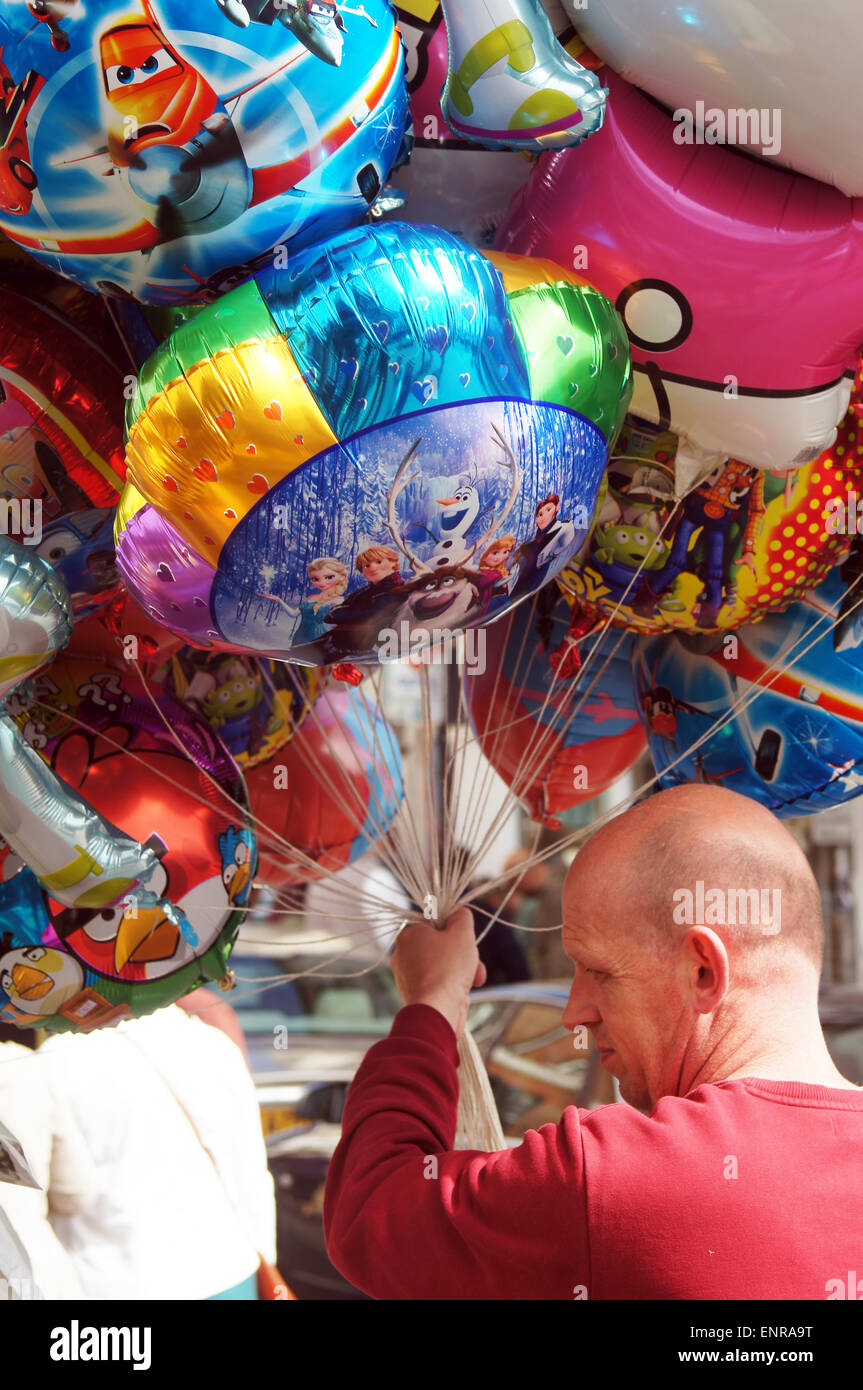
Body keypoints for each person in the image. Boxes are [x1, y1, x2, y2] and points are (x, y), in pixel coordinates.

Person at [323, 783, 863, 1299]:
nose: (573, 1015)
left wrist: (430, 1003)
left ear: (702, 971)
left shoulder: (612, 1180)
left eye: (599, 972)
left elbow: (371, 1209)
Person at [39, 1004, 276, 1300]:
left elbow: (69, 1192)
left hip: (114, 1284)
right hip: (227, 1272)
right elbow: (249, 1168)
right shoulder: (212, 1044)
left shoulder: (55, 1060)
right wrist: (265, 1259)